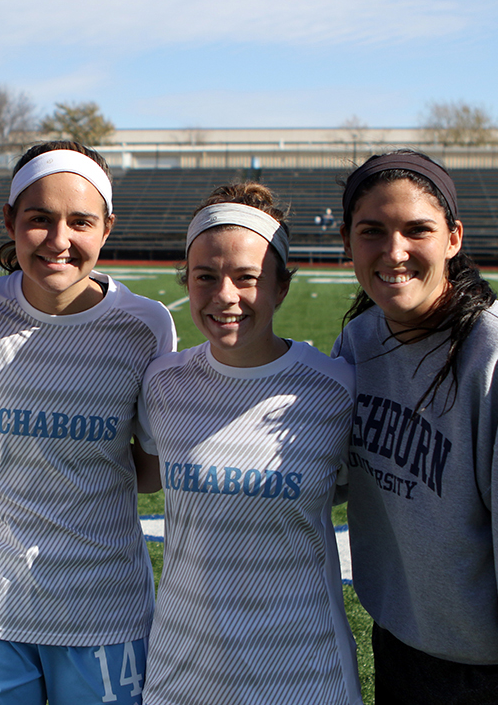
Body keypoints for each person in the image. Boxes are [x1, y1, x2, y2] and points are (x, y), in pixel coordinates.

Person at [334, 149, 498, 704]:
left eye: (417, 230)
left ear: (454, 238)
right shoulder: (359, 341)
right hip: (400, 644)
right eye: (372, 231)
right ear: (347, 242)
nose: (394, 251)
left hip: (493, 676)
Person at [0, 141, 176, 705]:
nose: (59, 239)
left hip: (103, 607)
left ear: (108, 227)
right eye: (39, 219)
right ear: (10, 221)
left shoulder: (145, 326)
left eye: (81, 221)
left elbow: (148, 470)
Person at [136, 183, 361, 704]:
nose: (225, 296)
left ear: (281, 287)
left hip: (304, 673)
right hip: (182, 670)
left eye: (247, 278)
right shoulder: (162, 382)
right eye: (206, 277)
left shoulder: (336, 388)